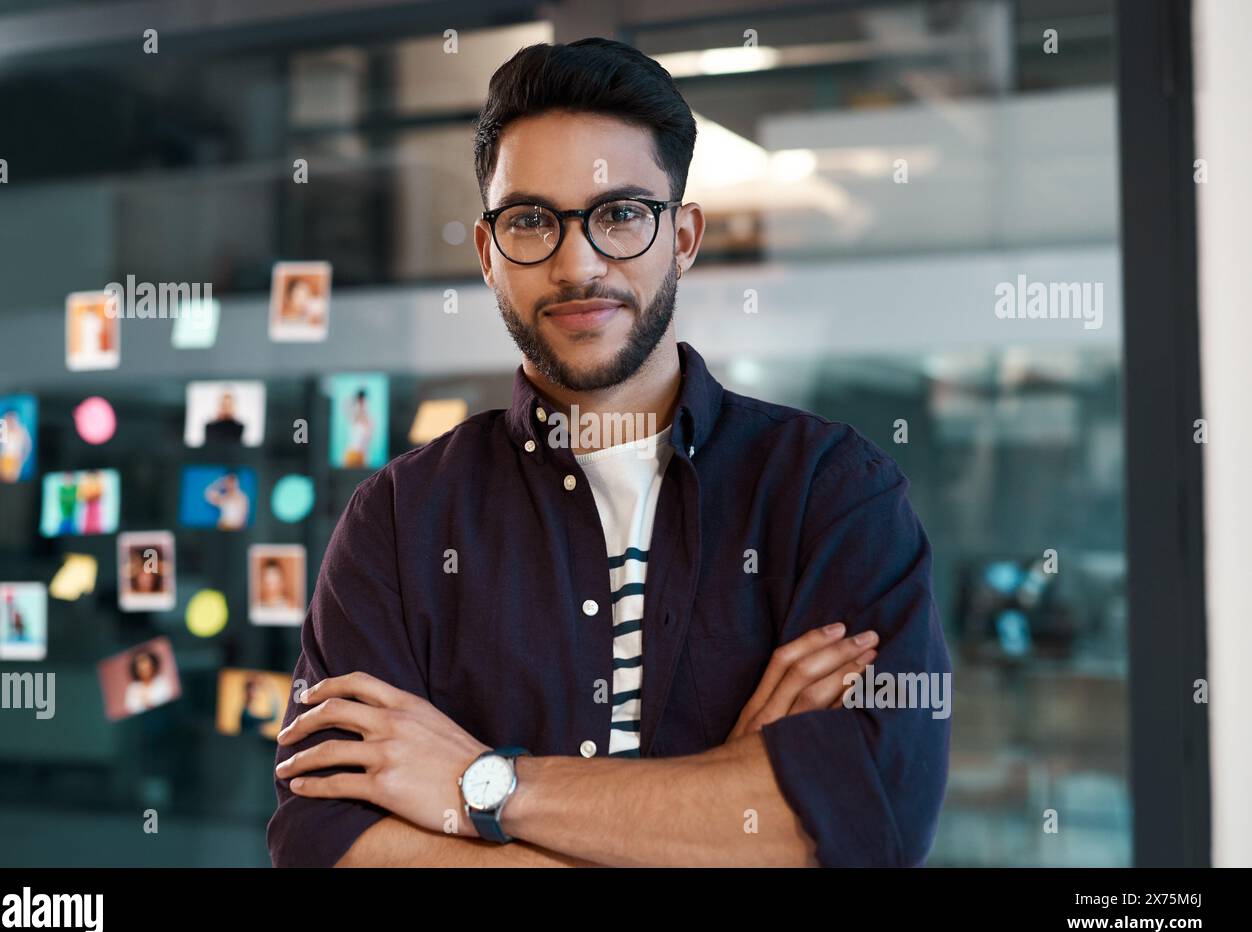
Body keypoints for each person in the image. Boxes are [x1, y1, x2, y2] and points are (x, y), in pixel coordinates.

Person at [268, 38, 950, 869]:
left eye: (621, 214)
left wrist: (484, 783)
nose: (578, 262)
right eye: (530, 221)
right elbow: (324, 843)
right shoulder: (400, 521)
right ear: (487, 253)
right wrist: (715, 809)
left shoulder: (829, 493)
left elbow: (873, 821)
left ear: (685, 236)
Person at [124, 649, 174, 715]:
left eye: (146, 662)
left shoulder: (161, 682)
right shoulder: (133, 688)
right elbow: (130, 708)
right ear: (136, 669)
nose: (144, 667)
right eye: (140, 663)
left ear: (152, 665)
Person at [0, 410, 31, 483]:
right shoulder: (3, 430)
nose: (9, 420)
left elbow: (27, 446)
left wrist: (21, 460)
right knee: (1, 479)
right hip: (3, 458)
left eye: (11, 418)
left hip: (14, 459)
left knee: (12, 480)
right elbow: (0, 449)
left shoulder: (21, 430)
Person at [342, 389, 373, 468]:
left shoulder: (367, 415)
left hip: (363, 453)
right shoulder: (354, 413)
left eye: (363, 400)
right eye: (361, 400)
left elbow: (368, 433)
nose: (363, 402)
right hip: (353, 452)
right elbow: (346, 405)